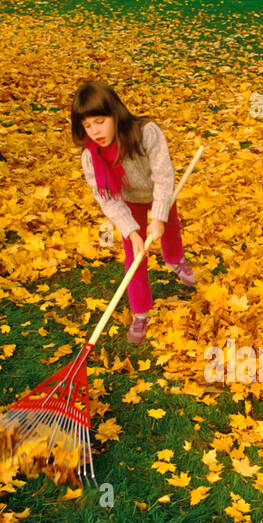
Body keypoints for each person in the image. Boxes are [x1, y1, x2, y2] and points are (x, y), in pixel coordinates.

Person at [70, 80, 197, 344]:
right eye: (87, 125)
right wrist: (132, 231)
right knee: (134, 255)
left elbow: (164, 175)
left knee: (170, 227)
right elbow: (108, 199)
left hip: (157, 191)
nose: (94, 131)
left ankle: (175, 259)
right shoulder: (90, 156)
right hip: (128, 201)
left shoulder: (146, 132)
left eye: (99, 121)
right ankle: (141, 311)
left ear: (115, 113)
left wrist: (159, 217)